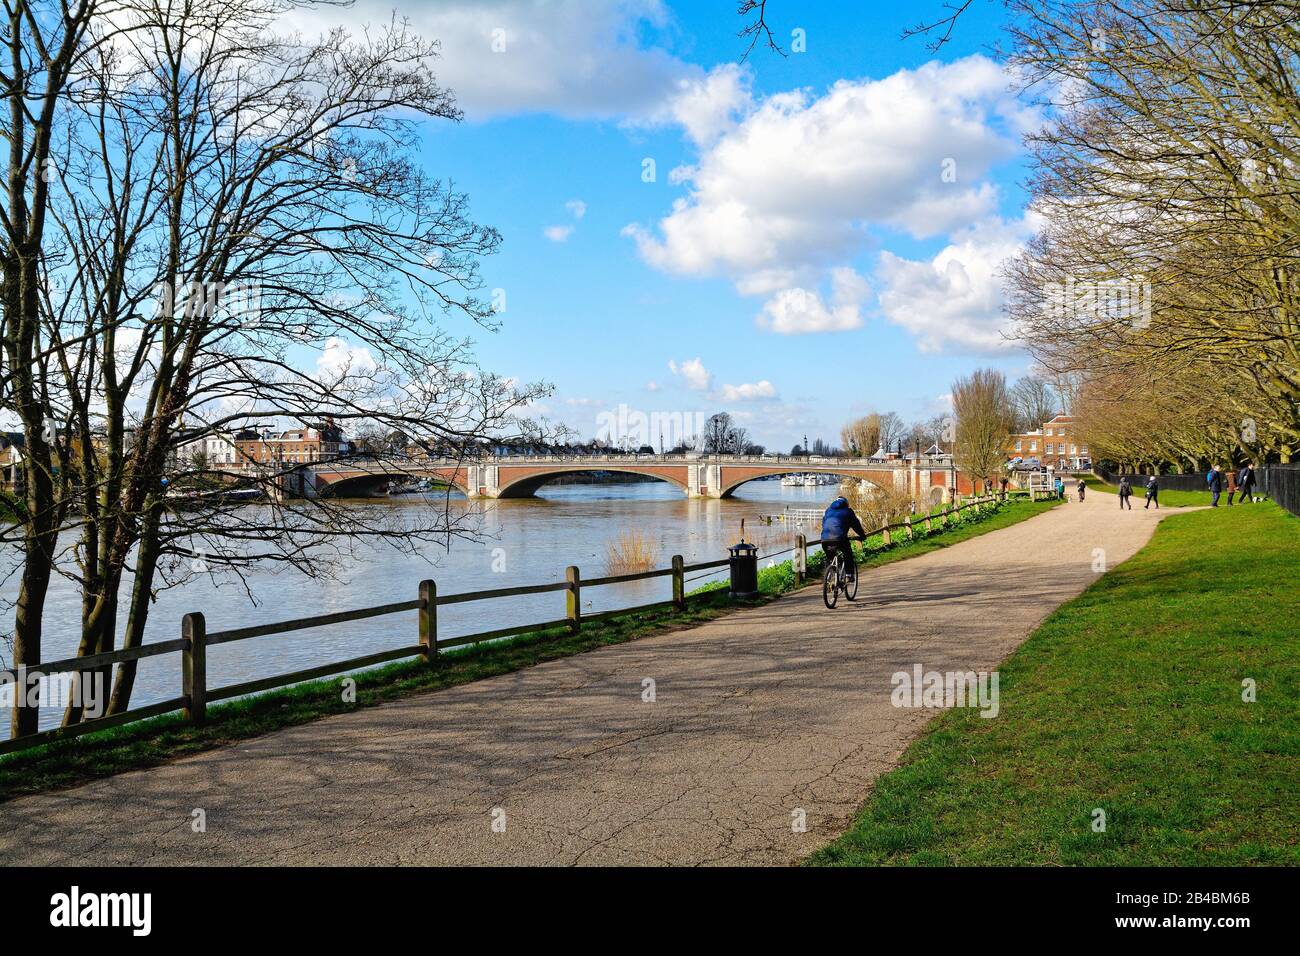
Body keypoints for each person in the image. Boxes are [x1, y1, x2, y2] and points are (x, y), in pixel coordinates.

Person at [821, 496, 867, 582]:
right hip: (840, 538)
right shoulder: (848, 511)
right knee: (848, 554)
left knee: (829, 557)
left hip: (825, 539)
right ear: (846, 503)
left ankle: (828, 577)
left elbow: (824, 524)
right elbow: (855, 525)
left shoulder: (828, 510)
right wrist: (862, 535)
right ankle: (849, 575)